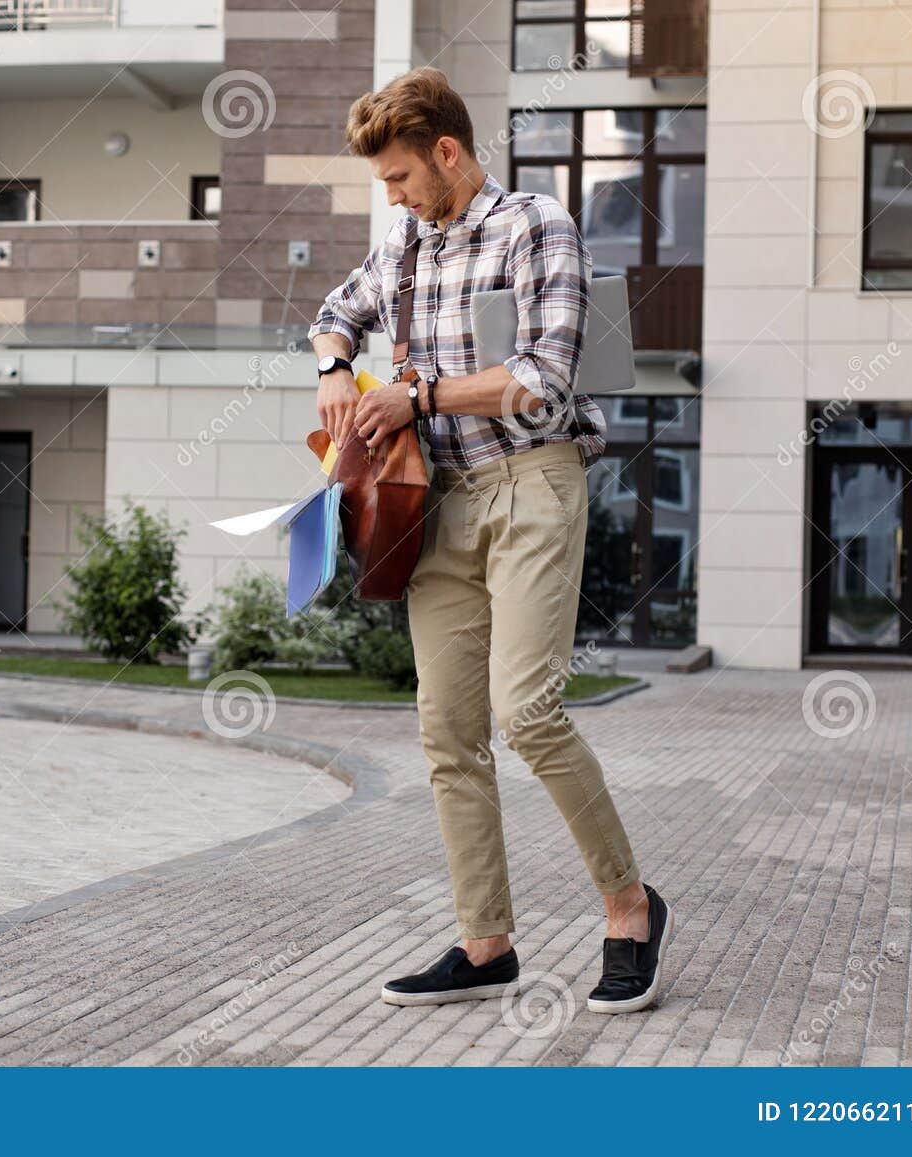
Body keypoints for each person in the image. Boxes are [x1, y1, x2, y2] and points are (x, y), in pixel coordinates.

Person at [307, 67, 673, 1014]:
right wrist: (338, 367)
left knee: (529, 712)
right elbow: (334, 313)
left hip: (532, 482)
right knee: (447, 730)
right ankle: (486, 944)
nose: (391, 196)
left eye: (397, 177)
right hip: (439, 502)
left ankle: (629, 908)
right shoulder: (403, 244)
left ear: (447, 151)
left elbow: (544, 376)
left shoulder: (535, 225)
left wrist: (416, 393)